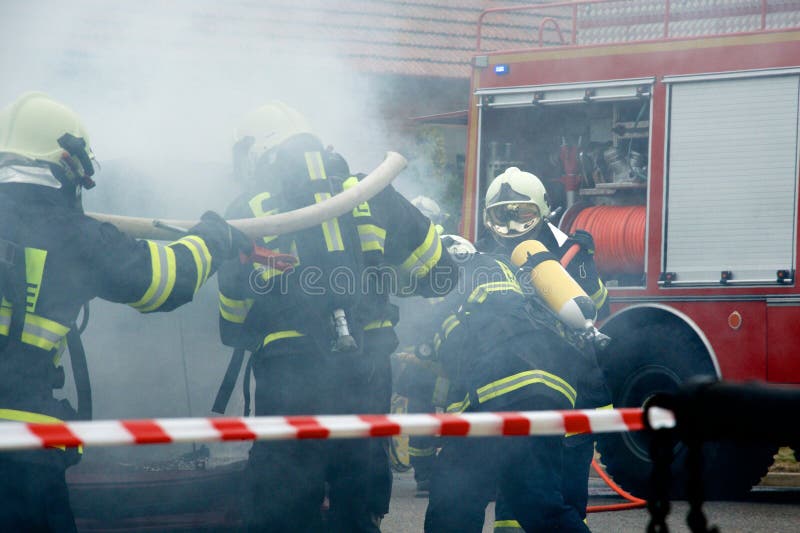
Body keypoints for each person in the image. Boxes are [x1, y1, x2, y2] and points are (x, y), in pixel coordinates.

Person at [0, 92, 249, 531]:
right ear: (68, 162)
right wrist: (213, 238)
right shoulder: (71, 233)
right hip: (22, 452)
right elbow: (163, 282)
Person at [216, 101, 458, 532]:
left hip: (290, 377)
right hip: (367, 374)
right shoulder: (370, 193)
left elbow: (232, 318)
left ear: (256, 152)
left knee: (283, 502)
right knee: (356, 499)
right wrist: (379, 278)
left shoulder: (248, 208)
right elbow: (441, 274)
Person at [422, 235, 591, 533]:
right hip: (551, 385)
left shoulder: (448, 287)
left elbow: (451, 365)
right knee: (540, 504)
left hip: (499, 390)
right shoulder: (506, 270)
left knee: (453, 502)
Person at [480, 167, 612, 529]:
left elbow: (598, 307)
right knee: (515, 507)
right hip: (517, 392)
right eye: (501, 213)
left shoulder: (570, 251)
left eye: (521, 213)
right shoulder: (481, 256)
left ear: (541, 211)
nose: (510, 223)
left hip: (572, 391)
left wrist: (583, 268)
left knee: (565, 501)